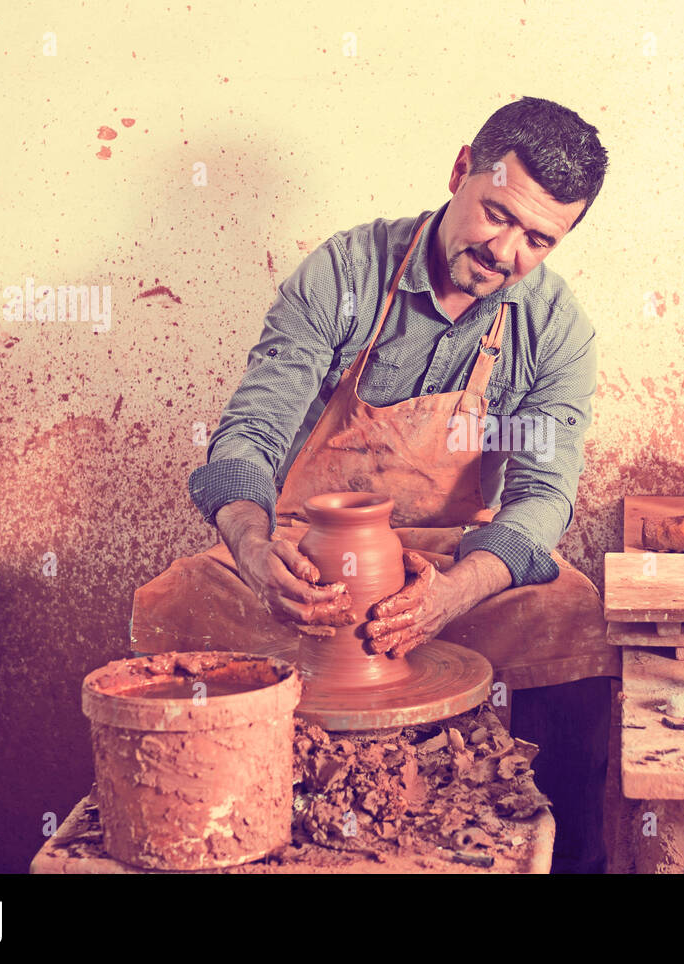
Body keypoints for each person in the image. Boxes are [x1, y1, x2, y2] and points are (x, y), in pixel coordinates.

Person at [132, 96, 616, 873]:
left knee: (573, 613)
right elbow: (249, 434)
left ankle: (563, 859)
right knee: (177, 599)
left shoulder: (555, 328)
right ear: (460, 169)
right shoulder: (345, 275)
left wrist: (454, 594)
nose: (507, 252)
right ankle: (207, 837)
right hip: (303, 558)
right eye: (497, 215)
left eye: (538, 240)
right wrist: (258, 555)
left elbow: (543, 497)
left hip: (449, 566)